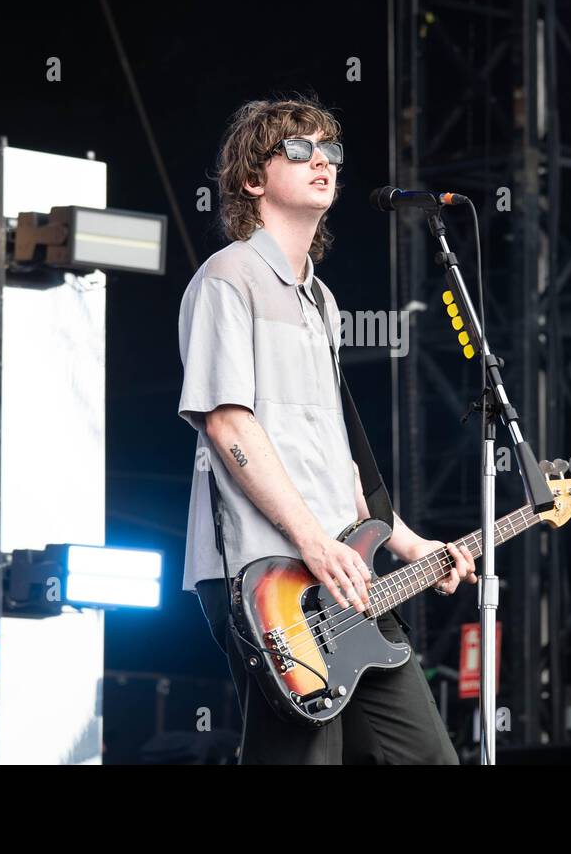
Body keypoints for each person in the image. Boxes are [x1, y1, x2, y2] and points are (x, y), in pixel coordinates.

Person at [177, 96, 476, 764]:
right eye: (300, 149)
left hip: (341, 567)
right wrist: (311, 540)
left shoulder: (322, 301)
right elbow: (228, 423)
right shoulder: (228, 280)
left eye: (332, 151)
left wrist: (407, 542)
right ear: (253, 179)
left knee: (426, 756)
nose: (324, 162)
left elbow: (336, 456)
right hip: (268, 573)